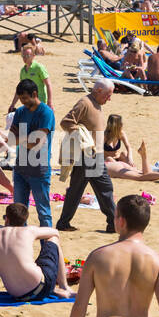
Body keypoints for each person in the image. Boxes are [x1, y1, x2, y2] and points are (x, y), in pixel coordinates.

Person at [0, 202, 71, 301]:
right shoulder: (29, 231)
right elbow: (55, 232)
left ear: (7, 219)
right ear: (24, 220)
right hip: (42, 288)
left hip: (17, 296)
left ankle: (58, 289)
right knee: (53, 238)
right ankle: (64, 287)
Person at [56, 79, 117, 233]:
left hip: (92, 155)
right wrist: (83, 135)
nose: (109, 99)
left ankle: (63, 223)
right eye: (108, 95)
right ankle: (114, 223)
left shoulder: (96, 103)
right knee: (105, 188)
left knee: (76, 190)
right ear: (98, 90)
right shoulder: (85, 102)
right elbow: (66, 122)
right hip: (88, 155)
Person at [8, 78, 56, 226]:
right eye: (20, 98)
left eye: (24, 98)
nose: (22, 102)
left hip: (39, 169)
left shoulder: (46, 113)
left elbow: (36, 143)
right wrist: (26, 139)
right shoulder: (20, 112)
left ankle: (47, 248)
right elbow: (11, 139)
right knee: (18, 213)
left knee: (43, 213)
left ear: (34, 94)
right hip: (20, 168)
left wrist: (20, 139)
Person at [102, 114, 159, 183]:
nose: (122, 125)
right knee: (139, 174)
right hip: (108, 161)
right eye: (121, 124)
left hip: (117, 161)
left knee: (137, 171)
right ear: (116, 126)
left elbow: (128, 147)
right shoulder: (103, 135)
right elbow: (97, 152)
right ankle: (145, 158)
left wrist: (130, 159)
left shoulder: (121, 133)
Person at [7, 42, 52, 111]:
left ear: (33, 56)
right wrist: (13, 104)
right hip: (28, 103)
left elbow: (48, 84)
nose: (25, 58)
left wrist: (49, 102)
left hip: (40, 102)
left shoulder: (39, 67)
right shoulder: (23, 70)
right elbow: (20, 89)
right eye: (23, 55)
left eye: (27, 55)